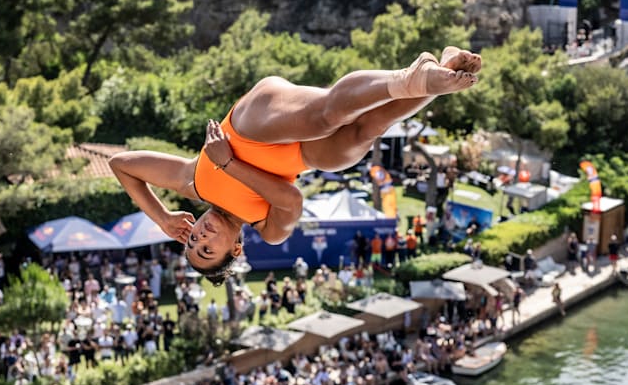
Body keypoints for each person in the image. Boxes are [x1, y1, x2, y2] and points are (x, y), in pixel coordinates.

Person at [109, 47, 482, 283]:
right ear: (235, 250)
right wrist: (229, 166)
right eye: (206, 249)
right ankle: (439, 77)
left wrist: (162, 218)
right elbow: (291, 199)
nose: (199, 236)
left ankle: (410, 77)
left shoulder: (193, 183)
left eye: (191, 240)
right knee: (356, 140)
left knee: (326, 117)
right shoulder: (268, 230)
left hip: (254, 121)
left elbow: (121, 164)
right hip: (299, 153)